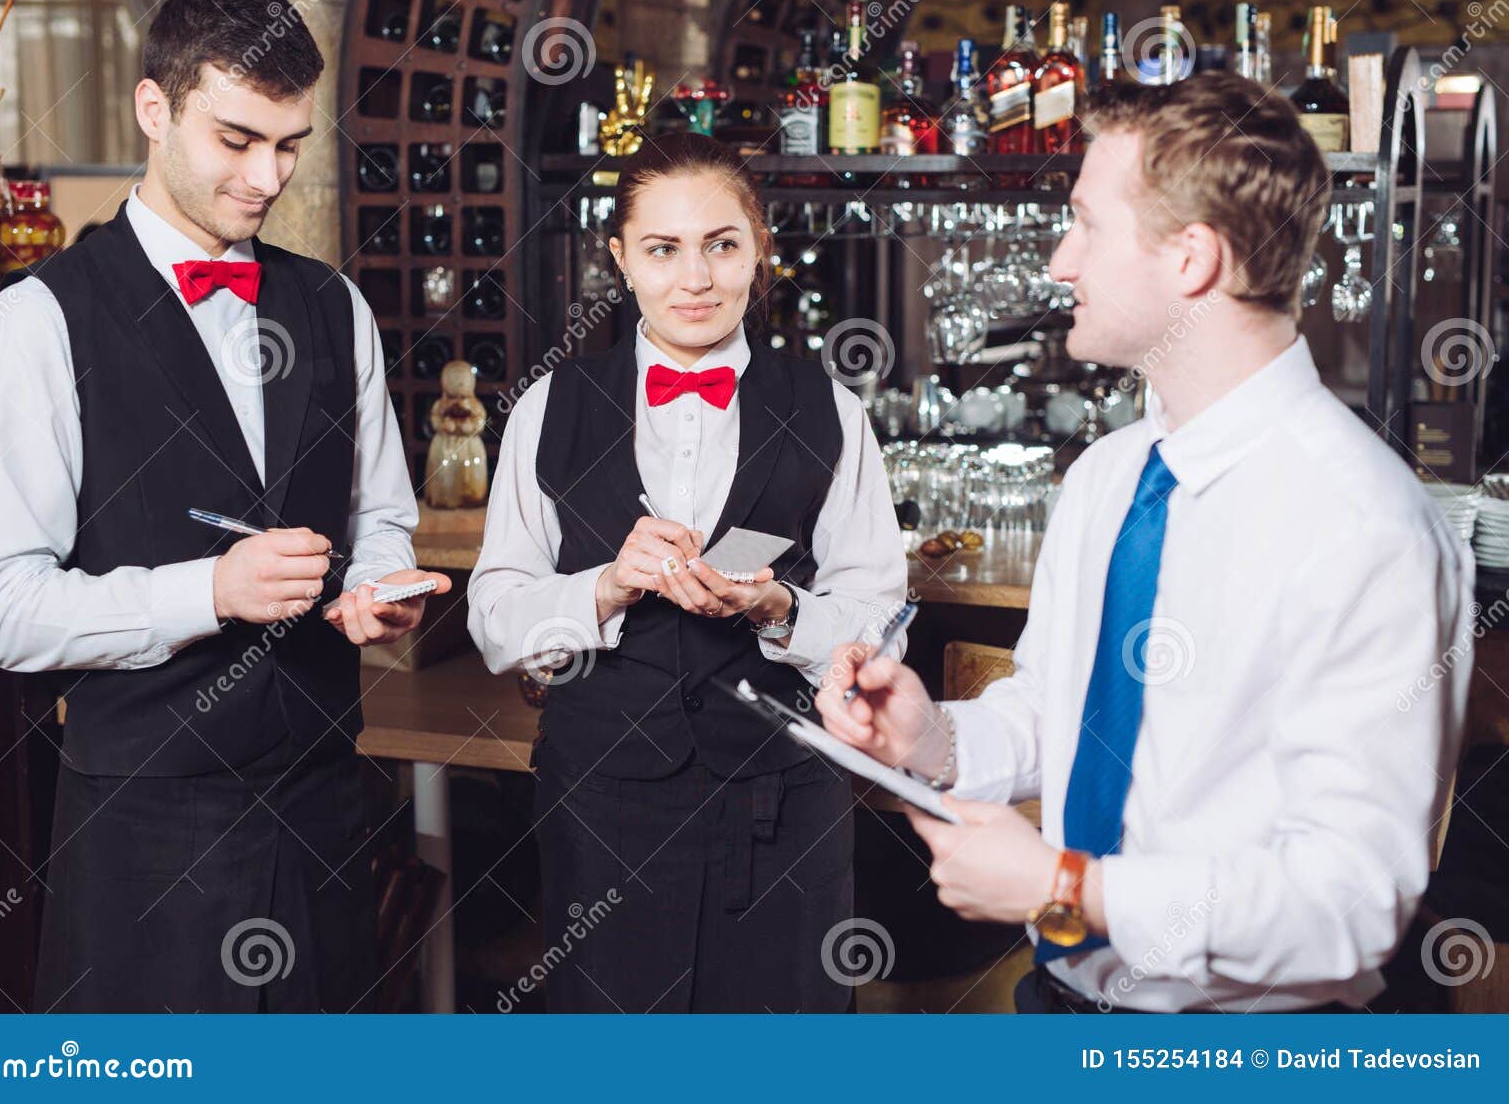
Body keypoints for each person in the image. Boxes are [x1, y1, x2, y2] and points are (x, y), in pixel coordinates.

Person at [817, 73, 1474, 1013]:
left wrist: (1068, 887)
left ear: (1192, 260)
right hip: (1062, 1001)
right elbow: (1058, 712)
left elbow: (1350, 900)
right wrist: (936, 737)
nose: (1058, 260)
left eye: (1085, 222)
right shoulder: (1110, 477)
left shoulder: (1364, 527)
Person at [0, 0, 449, 1012]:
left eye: (290, 144)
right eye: (236, 139)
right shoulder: (36, 324)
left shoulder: (333, 305)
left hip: (325, 808)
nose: (266, 176)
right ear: (154, 108)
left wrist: (377, 586)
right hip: (145, 835)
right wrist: (210, 589)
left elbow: (381, 516)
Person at [468, 131, 907, 1012]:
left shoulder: (834, 410)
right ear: (622, 257)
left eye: (721, 245)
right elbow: (494, 619)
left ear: (759, 252)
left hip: (782, 805)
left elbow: (881, 621)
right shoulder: (549, 406)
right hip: (604, 811)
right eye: (664, 249)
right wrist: (603, 586)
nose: (695, 278)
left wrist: (780, 608)